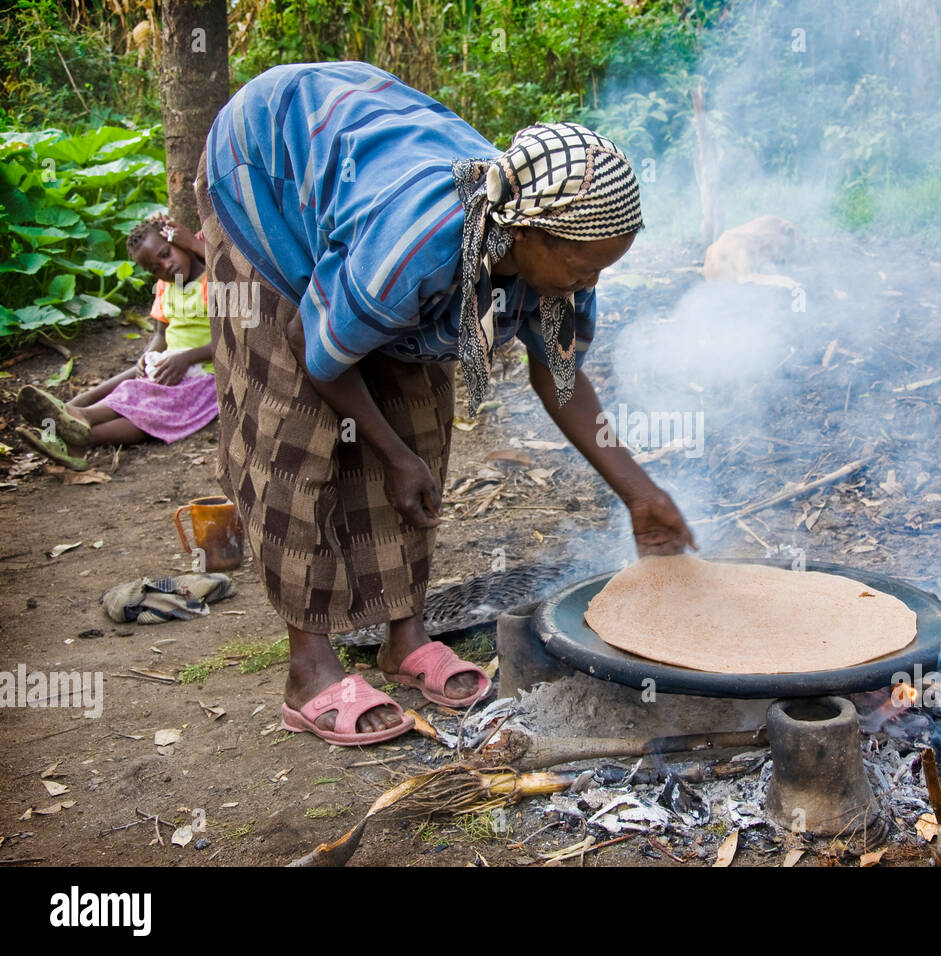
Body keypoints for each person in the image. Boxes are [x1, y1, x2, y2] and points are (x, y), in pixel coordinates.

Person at [197, 61, 695, 747]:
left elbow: (562, 376)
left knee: (420, 419)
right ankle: (308, 668)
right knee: (298, 432)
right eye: (583, 268)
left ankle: (404, 640)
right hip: (270, 164)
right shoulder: (417, 248)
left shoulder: (560, 248)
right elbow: (314, 347)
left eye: (603, 268)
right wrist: (391, 457)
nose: (590, 282)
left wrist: (641, 493)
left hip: (363, 179)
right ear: (525, 234)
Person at [16, 216, 217, 469]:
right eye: (155, 268)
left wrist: (186, 358)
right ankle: (68, 426)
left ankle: (80, 424)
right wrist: (147, 356)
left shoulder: (215, 281)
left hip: (205, 375)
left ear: (181, 242)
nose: (166, 267)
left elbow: (233, 341)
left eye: (166, 253)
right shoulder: (167, 286)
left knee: (142, 400)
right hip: (173, 367)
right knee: (137, 384)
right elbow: (160, 335)